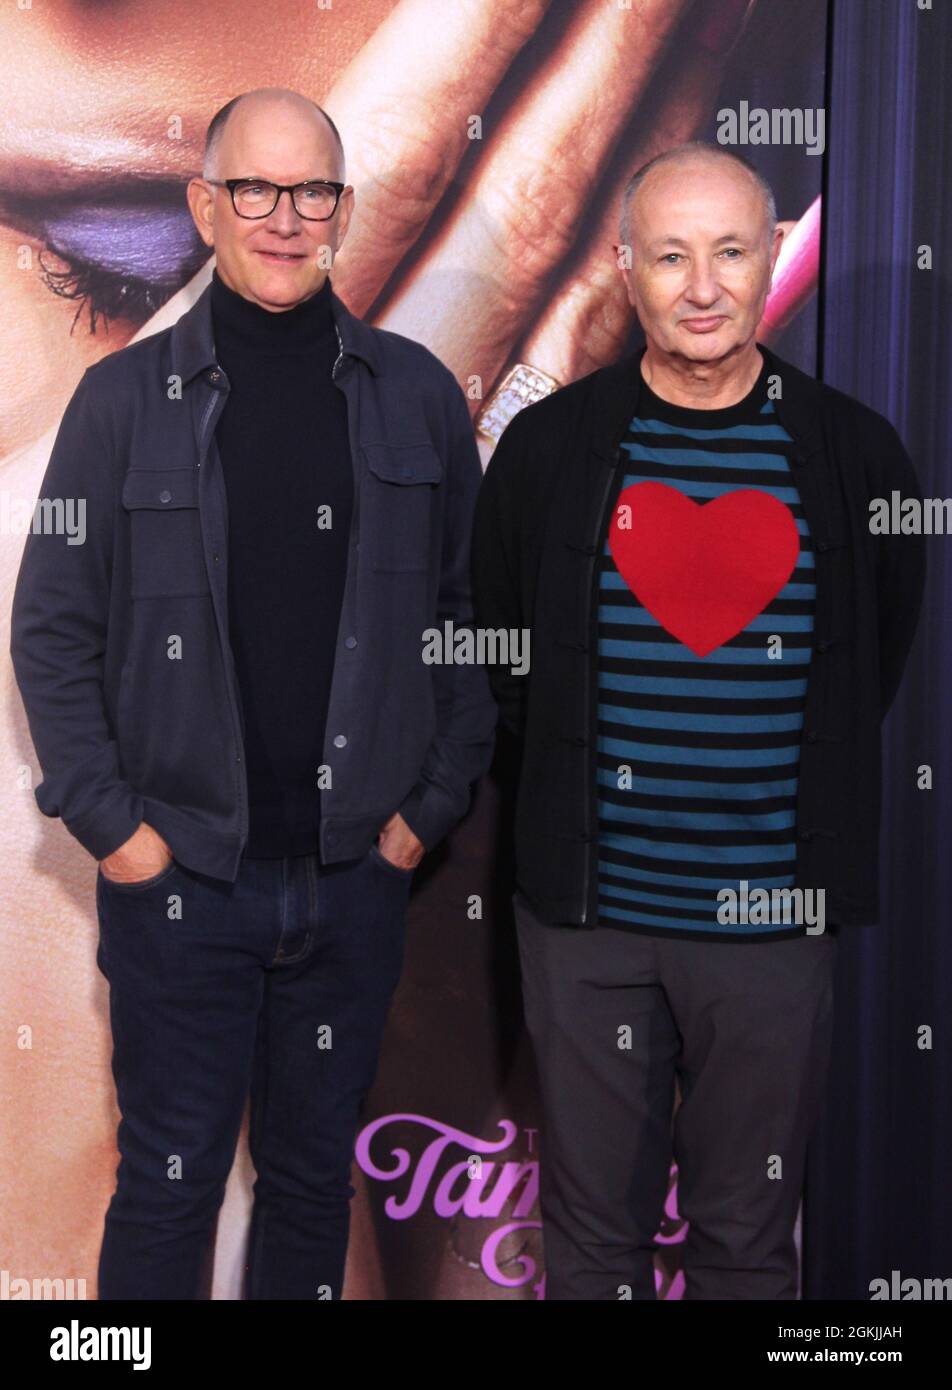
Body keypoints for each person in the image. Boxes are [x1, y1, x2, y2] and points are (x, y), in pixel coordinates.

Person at [9, 87, 496, 1300]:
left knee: (311, 1187)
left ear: (341, 207)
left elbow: (468, 629)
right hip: (180, 885)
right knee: (165, 1186)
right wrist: (119, 837)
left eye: (312, 191)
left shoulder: (417, 397)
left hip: (352, 882)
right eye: (254, 191)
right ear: (205, 207)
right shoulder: (122, 405)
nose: (285, 218)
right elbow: (49, 627)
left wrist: (414, 823)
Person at [471, 141, 926, 1299]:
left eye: (729, 251)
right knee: (588, 1243)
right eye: (670, 256)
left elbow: (868, 663)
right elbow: (509, 660)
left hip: (773, 928)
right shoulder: (547, 450)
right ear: (625, 272)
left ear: (771, 257)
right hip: (588, 925)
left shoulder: (855, 455)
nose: (704, 285)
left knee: (745, 1243)